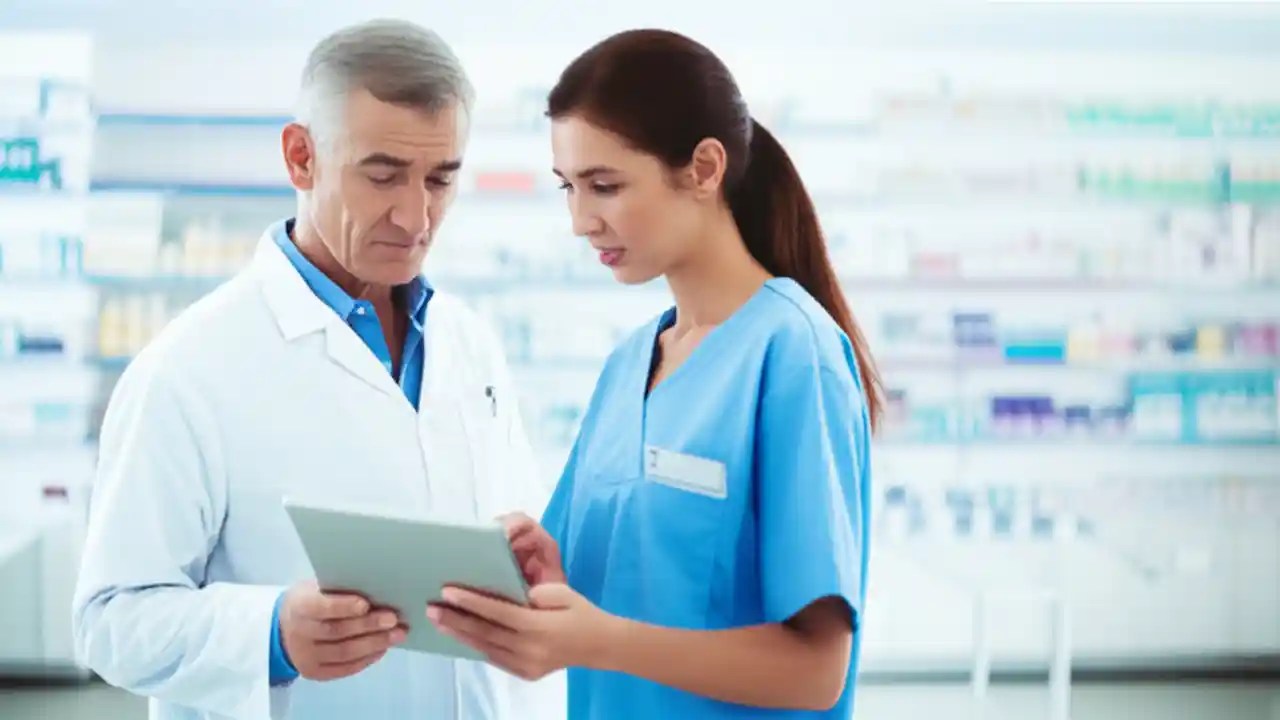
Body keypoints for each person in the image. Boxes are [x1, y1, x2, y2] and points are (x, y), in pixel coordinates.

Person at [71, 20, 553, 720]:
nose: (416, 216)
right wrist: (270, 633)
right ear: (301, 158)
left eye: (441, 179)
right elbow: (109, 621)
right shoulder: (186, 370)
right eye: (383, 174)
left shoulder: (468, 344)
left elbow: (512, 531)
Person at [429, 28, 881, 720]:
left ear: (703, 169)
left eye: (605, 186)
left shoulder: (793, 354)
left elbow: (818, 671)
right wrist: (549, 572)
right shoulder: (630, 364)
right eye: (569, 189)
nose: (582, 221)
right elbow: (626, 587)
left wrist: (605, 641)